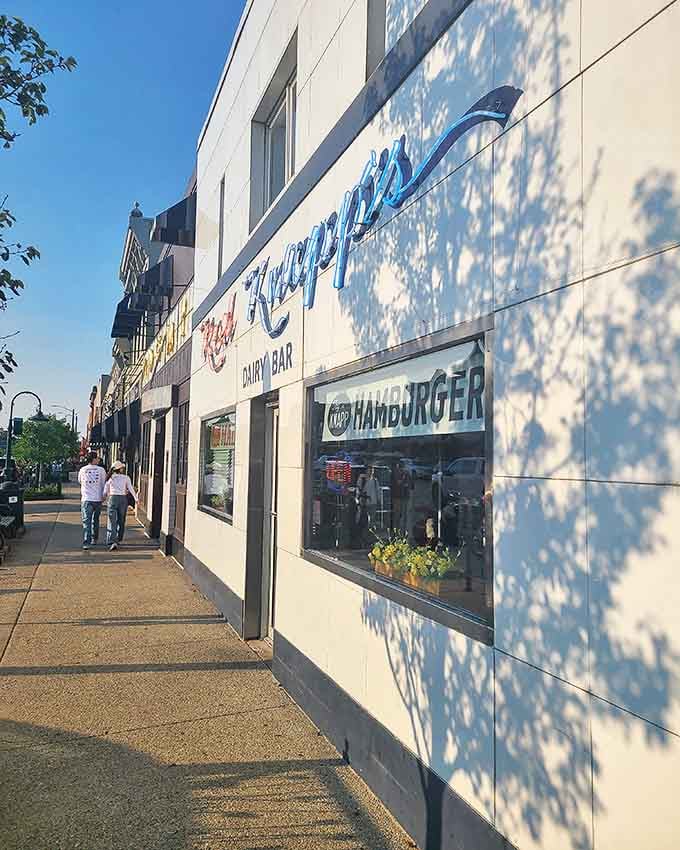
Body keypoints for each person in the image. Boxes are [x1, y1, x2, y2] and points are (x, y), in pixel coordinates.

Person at [104, 460, 137, 551]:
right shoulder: (126, 478)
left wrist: (105, 497)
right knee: (121, 520)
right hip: (123, 499)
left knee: (112, 520)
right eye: (122, 467)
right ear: (120, 469)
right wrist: (136, 499)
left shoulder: (110, 478)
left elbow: (105, 491)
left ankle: (112, 540)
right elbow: (130, 488)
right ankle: (119, 538)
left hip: (112, 498)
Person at [78, 451, 106, 550]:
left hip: (86, 499)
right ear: (93, 459)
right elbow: (104, 483)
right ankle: (95, 539)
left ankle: (87, 542)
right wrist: (103, 495)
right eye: (97, 458)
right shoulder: (101, 470)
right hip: (98, 499)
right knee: (95, 520)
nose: (98, 459)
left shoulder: (82, 470)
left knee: (87, 521)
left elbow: (80, 481)